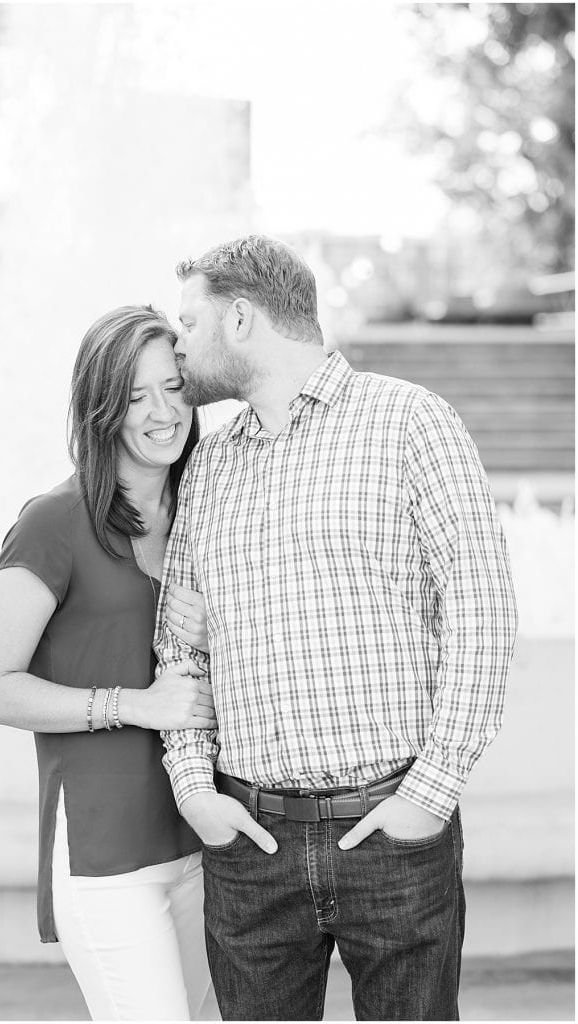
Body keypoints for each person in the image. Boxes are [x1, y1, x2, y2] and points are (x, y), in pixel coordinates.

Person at [154, 236, 518, 1021]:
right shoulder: (212, 463)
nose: (178, 343)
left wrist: (430, 793)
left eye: (190, 321)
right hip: (249, 847)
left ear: (241, 317)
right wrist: (194, 790)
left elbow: (481, 611)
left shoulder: (410, 422)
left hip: (392, 836)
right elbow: (178, 645)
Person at [0, 305, 215, 1021]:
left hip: (203, 841)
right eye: (136, 396)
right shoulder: (54, 522)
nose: (162, 413)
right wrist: (133, 703)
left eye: (173, 388)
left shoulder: (208, 508)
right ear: (101, 408)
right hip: (105, 859)